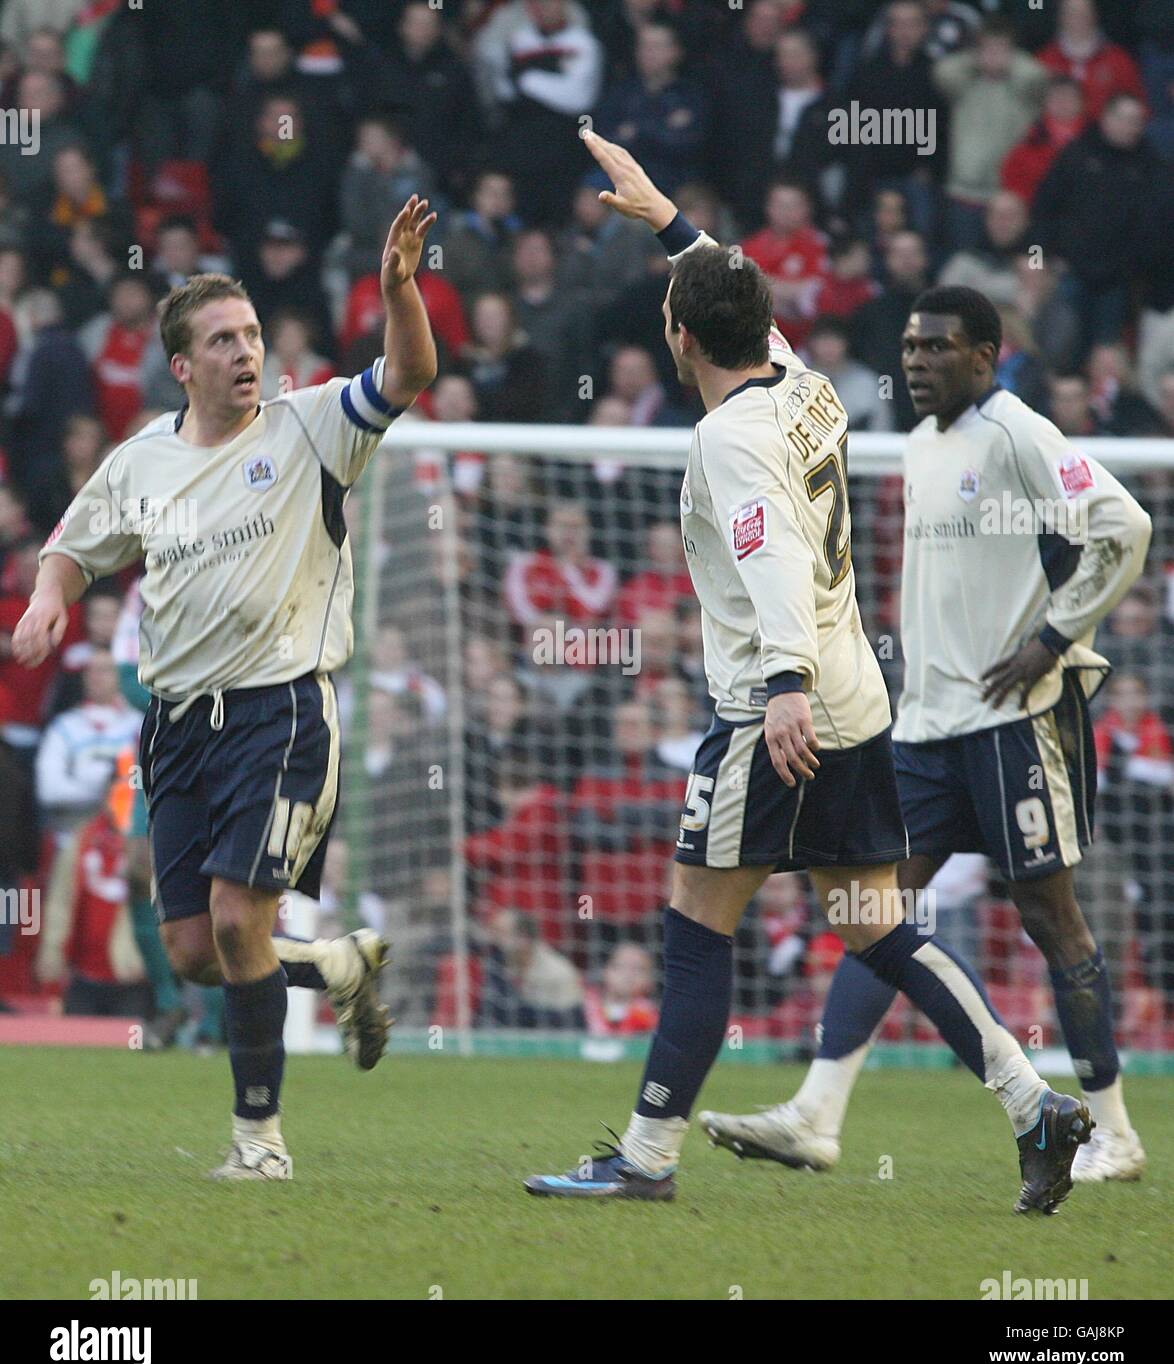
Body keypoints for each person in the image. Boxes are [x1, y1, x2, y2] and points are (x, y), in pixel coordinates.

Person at [525, 134, 1094, 1213]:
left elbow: (772, 552)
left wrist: (780, 682)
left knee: (696, 912)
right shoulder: (802, 377)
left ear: (677, 334)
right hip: (857, 694)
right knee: (873, 920)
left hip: (776, 704)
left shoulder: (729, 438)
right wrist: (664, 218)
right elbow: (728, 284)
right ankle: (1034, 1104)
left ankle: (645, 1155)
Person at [13, 196, 439, 1181]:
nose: (246, 352)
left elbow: (412, 373)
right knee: (198, 947)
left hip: (280, 710)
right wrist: (47, 601)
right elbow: (72, 549)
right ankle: (333, 961)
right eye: (222, 340)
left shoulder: (313, 425)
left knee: (242, 922)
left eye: (251, 334)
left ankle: (260, 1142)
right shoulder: (141, 463)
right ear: (182, 366)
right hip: (175, 728)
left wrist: (399, 292)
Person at [708, 285, 1152, 1185]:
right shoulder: (919, 443)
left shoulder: (1019, 430)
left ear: (986, 356)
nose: (916, 362)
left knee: (1047, 915)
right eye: (910, 347)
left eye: (937, 348)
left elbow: (1124, 524)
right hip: (924, 728)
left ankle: (1114, 1132)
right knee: (877, 913)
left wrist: (1056, 641)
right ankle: (817, 1115)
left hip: (1014, 726)